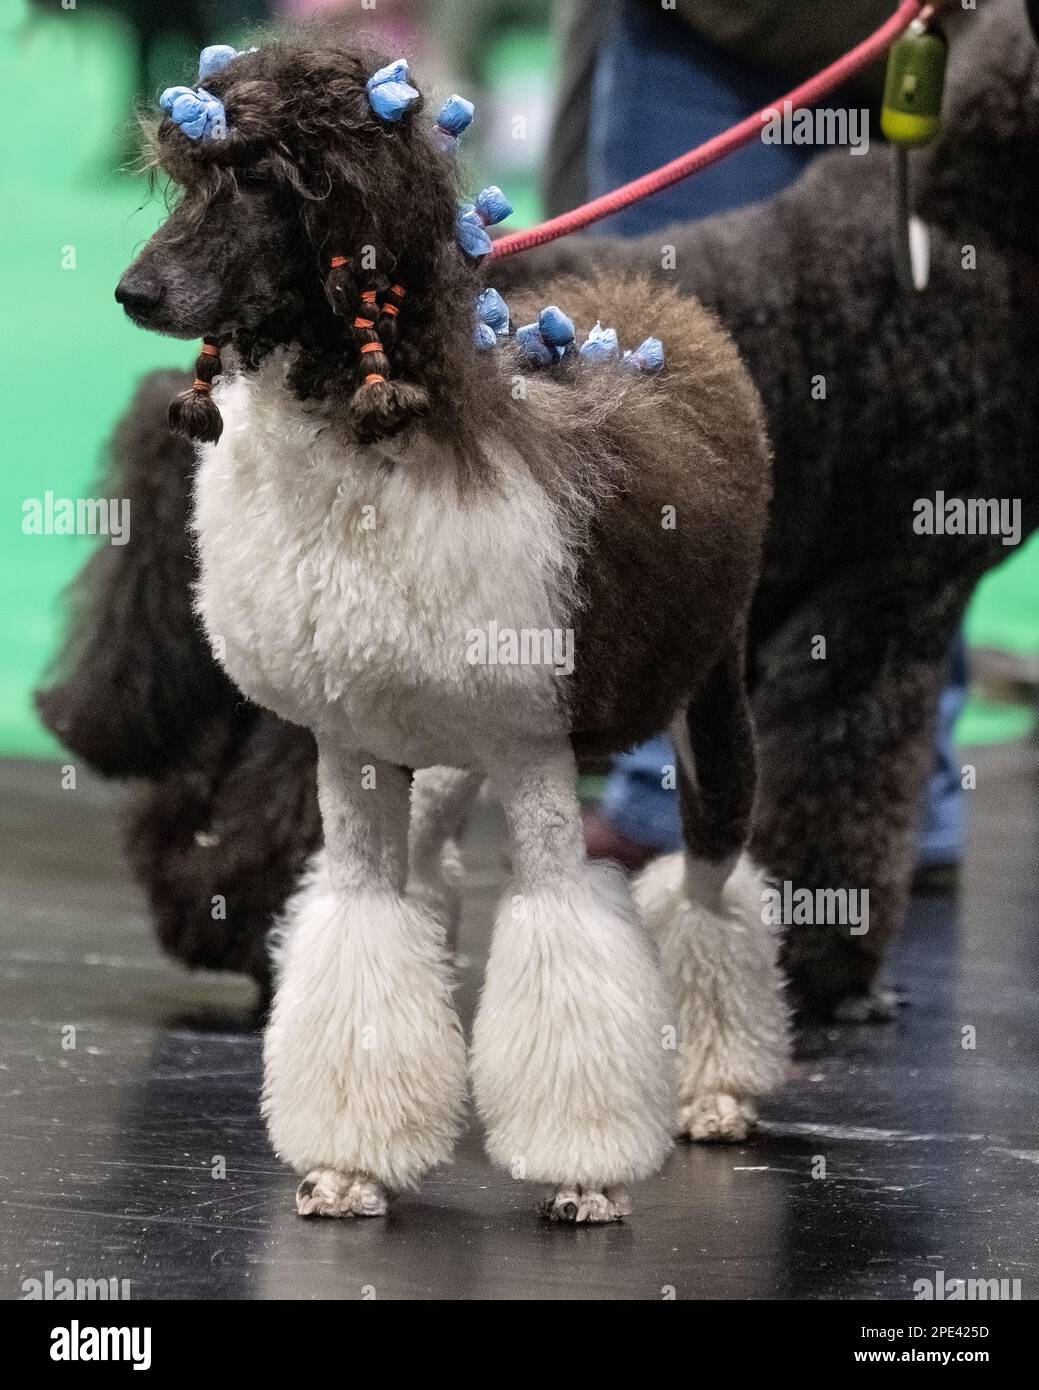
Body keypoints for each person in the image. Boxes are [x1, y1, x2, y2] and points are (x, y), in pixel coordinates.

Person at [546, 0, 967, 887]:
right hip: (712, 30)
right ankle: (673, 789)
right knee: (668, 397)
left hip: (922, 35)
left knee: (916, 422)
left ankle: (884, 798)